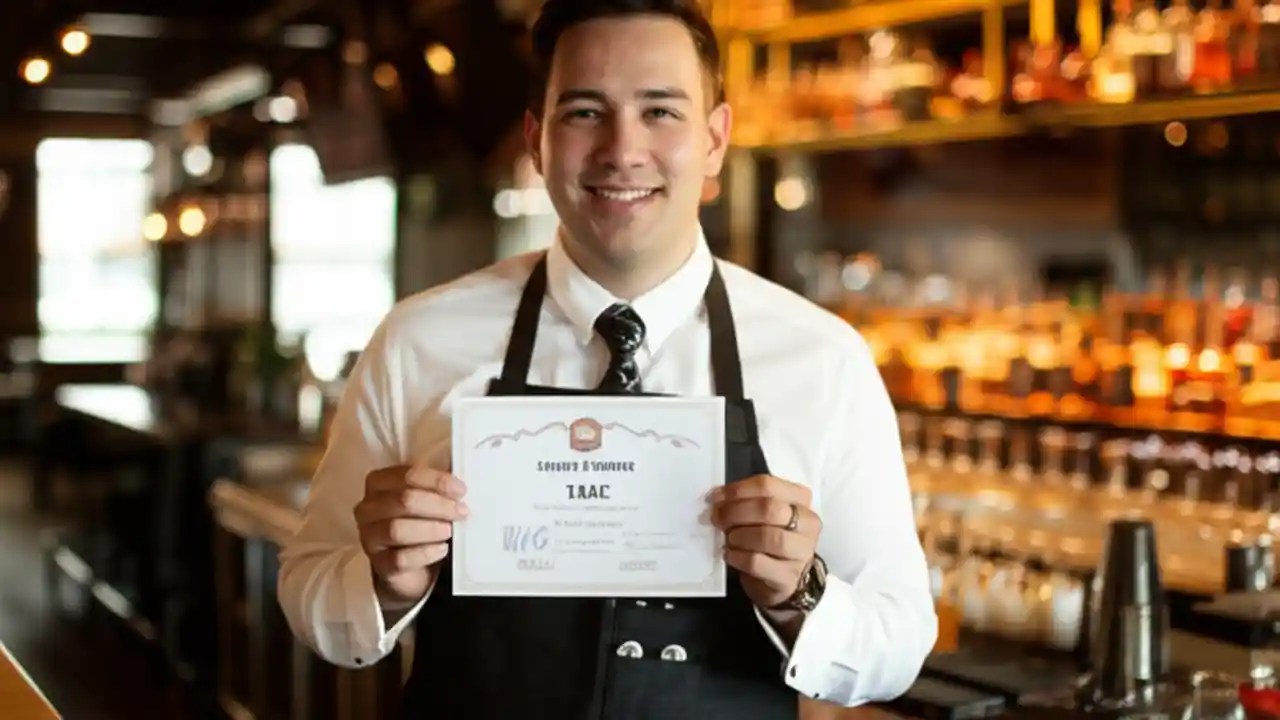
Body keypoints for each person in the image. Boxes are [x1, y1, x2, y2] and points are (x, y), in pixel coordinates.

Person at [276, 0, 937, 717]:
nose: (622, 150)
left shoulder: (822, 358)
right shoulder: (418, 339)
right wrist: (382, 583)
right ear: (537, 139)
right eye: (585, 112)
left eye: (661, 112)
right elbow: (309, 590)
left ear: (715, 140)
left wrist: (797, 592)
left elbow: (897, 646)